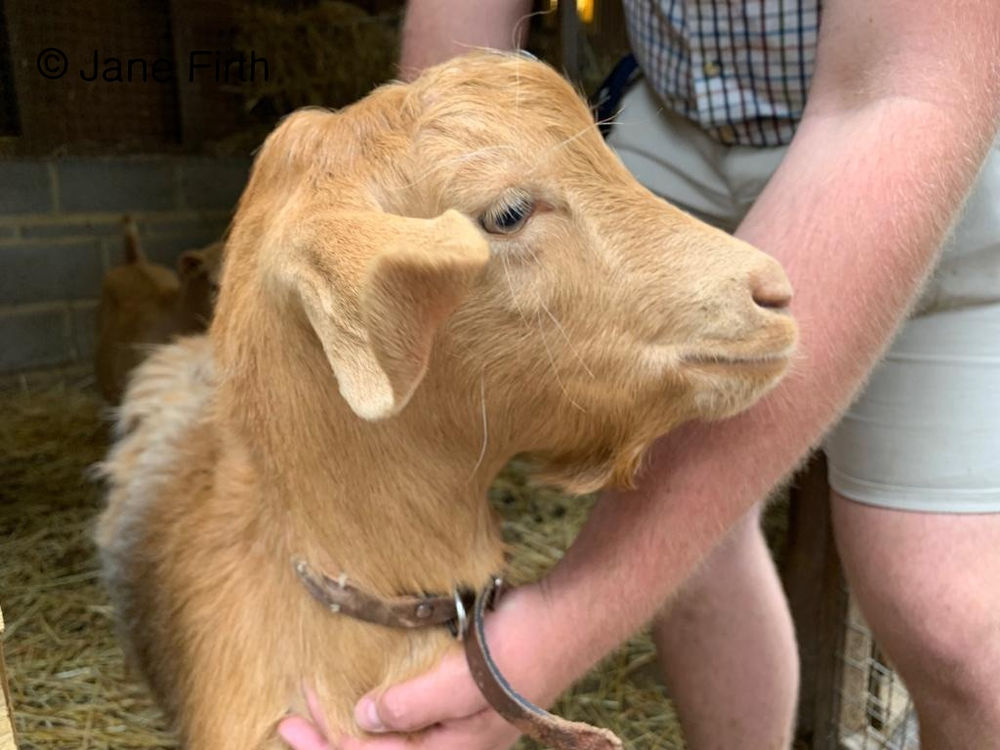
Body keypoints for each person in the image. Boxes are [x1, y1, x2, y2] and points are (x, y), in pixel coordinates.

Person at [279, 2, 1000, 748]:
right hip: (672, 117)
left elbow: (904, 89)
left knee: (943, 614)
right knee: (690, 554)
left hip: (912, 119)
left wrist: (551, 637)